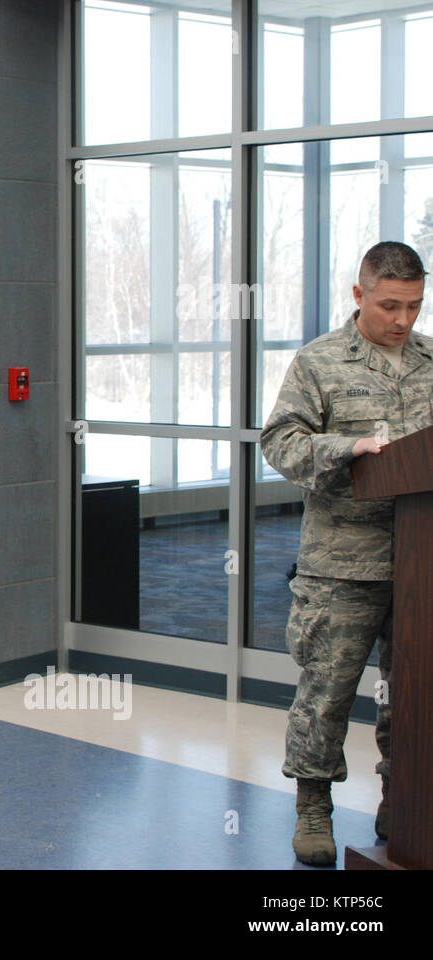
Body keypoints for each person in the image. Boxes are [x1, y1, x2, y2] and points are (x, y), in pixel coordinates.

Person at [261, 240, 430, 866]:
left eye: (414, 306)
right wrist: (346, 449)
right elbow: (279, 443)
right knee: (327, 693)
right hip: (343, 565)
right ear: (359, 295)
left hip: (422, 568)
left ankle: (403, 797)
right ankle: (313, 807)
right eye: (390, 305)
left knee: (414, 694)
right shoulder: (320, 362)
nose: (403, 320)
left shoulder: (432, 361)